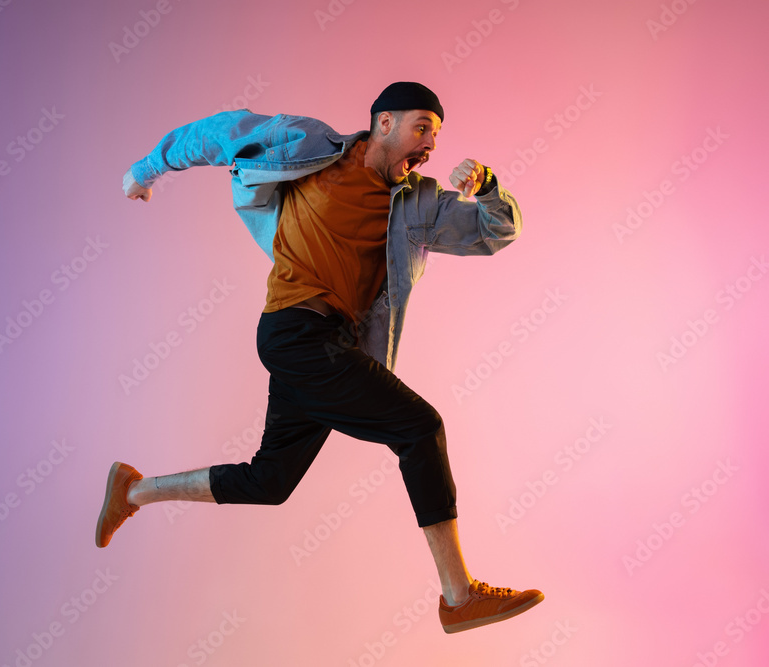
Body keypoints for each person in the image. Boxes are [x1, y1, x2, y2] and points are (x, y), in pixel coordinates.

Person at [97, 82, 543, 633]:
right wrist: (148, 169)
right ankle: (458, 596)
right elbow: (219, 133)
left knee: (269, 483)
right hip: (293, 331)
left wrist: (490, 186)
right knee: (419, 428)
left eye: (437, 135)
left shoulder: (419, 203)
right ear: (384, 123)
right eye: (421, 127)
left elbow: (498, 230)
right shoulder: (304, 146)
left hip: (329, 343)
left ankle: (133, 489)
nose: (430, 145)